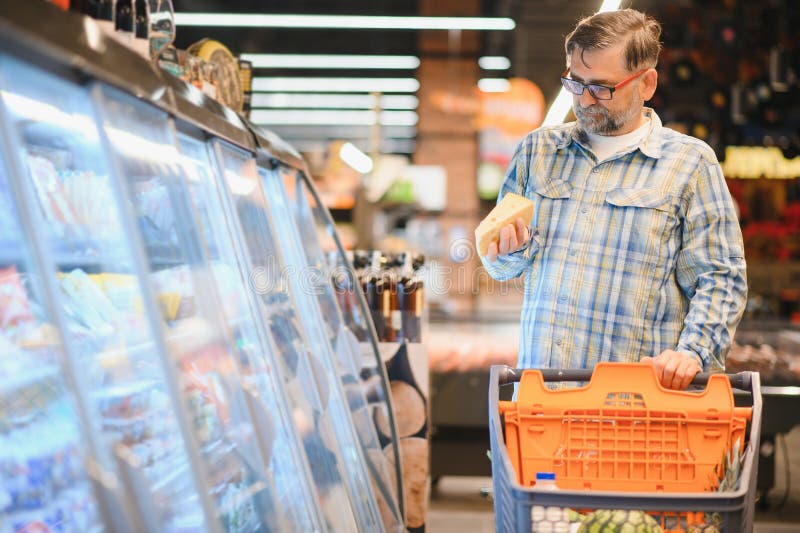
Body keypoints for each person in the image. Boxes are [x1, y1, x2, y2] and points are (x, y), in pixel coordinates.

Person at [479, 9, 747, 390]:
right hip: (542, 400)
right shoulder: (537, 152)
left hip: (636, 409)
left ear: (647, 83)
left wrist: (694, 352)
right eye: (575, 82)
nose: (585, 100)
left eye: (602, 87)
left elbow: (720, 277)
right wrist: (504, 253)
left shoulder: (690, 164)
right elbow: (503, 267)